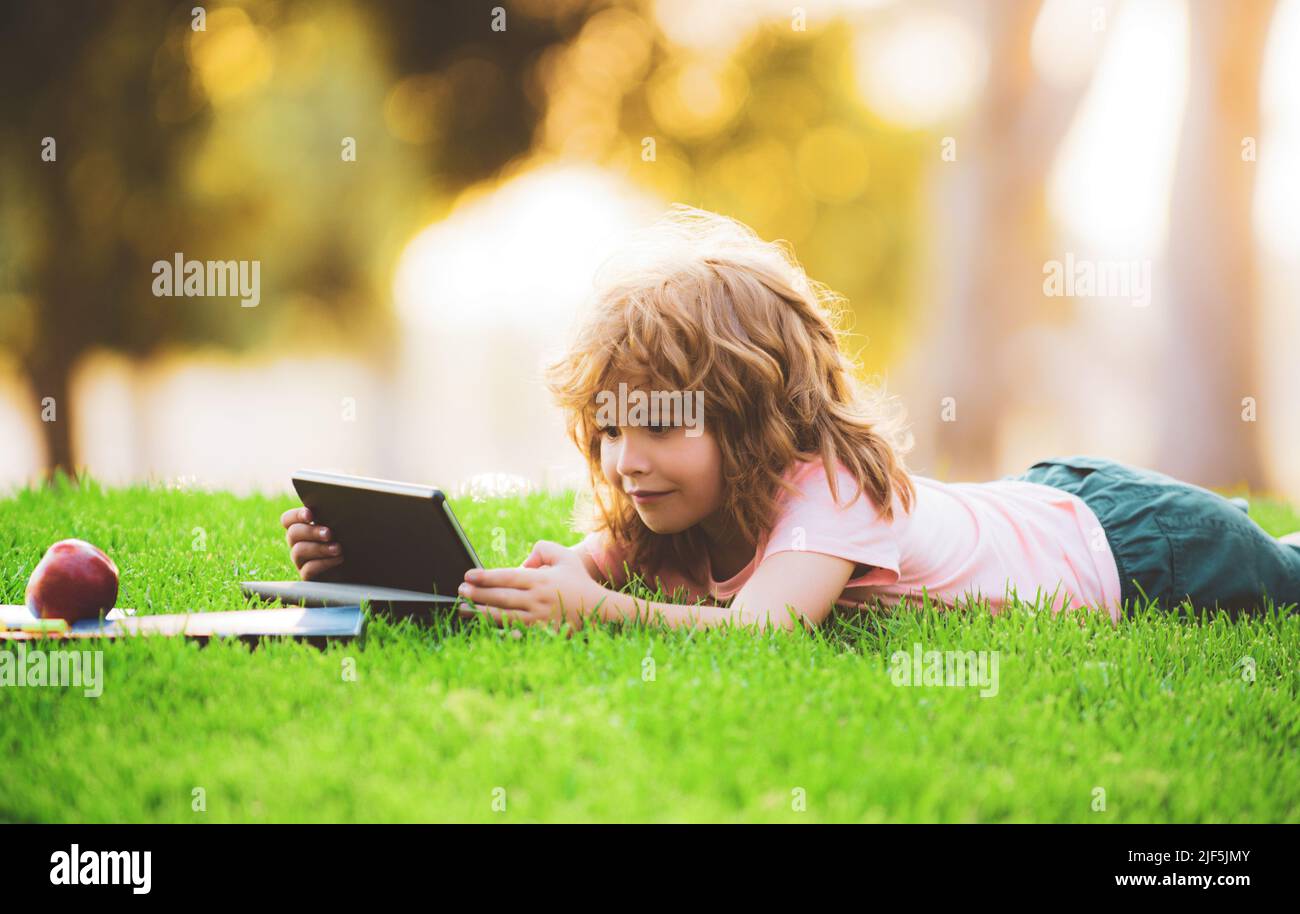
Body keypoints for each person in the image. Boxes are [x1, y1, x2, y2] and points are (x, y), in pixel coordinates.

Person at [283, 205, 1300, 632]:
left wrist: (606, 614)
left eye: (660, 428)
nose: (626, 461)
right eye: (609, 430)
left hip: (1138, 546)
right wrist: (379, 563)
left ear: (759, 424)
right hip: (1041, 495)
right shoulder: (671, 513)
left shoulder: (827, 488)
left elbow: (761, 635)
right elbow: (569, 570)